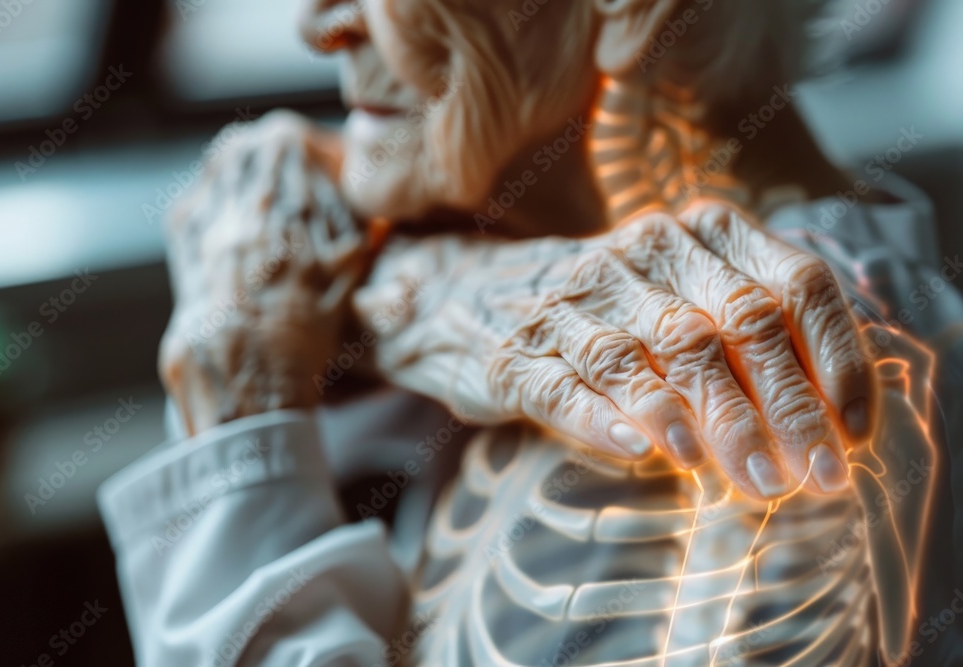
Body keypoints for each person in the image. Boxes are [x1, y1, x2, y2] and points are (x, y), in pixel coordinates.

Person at [99, 0, 962, 664]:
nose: (318, 25)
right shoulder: (562, 295)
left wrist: (238, 427)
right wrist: (440, 293)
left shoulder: (706, 408)